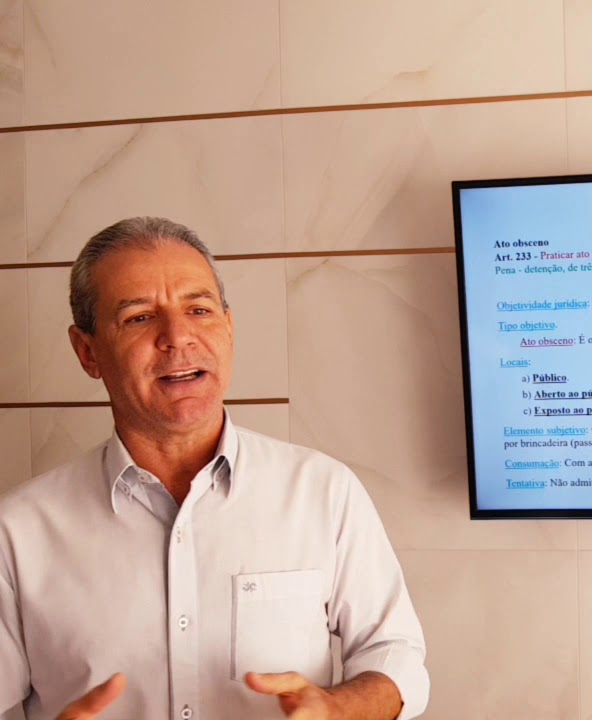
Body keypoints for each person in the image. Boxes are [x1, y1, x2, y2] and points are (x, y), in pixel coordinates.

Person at [0, 217, 429, 720]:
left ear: (228, 327)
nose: (178, 336)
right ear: (87, 351)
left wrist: (340, 708)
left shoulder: (323, 490)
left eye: (199, 310)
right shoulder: (17, 530)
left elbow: (395, 652)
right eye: (139, 317)